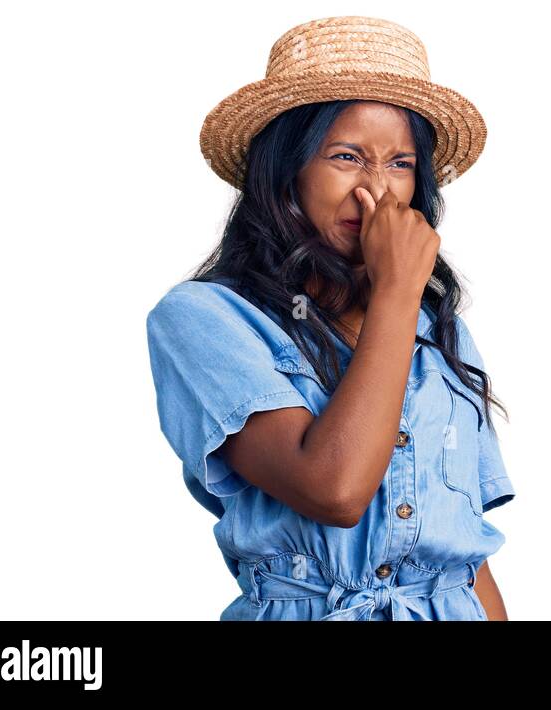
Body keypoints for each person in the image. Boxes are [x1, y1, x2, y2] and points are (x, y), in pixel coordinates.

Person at [145, 16, 515, 621]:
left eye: (400, 164)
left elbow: (463, 556)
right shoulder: (204, 319)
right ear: (284, 170)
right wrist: (397, 291)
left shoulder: (438, 327)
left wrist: (403, 300)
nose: (377, 191)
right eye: (347, 156)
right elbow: (335, 489)